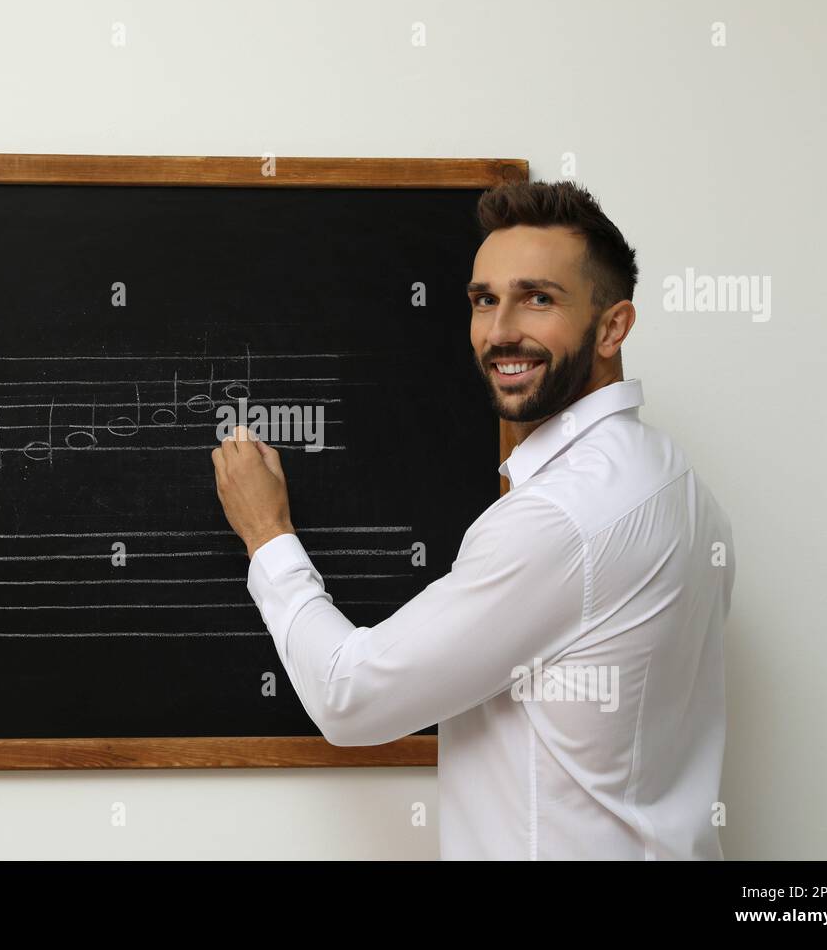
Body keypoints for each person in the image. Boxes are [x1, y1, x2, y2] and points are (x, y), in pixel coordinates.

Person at [211, 180, 735, 860]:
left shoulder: (559, 518)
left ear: (613, 326)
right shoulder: (679, 484)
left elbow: (350, 696)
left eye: (538, 298)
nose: (499, 330)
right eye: (485, 300)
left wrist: (266, 533)